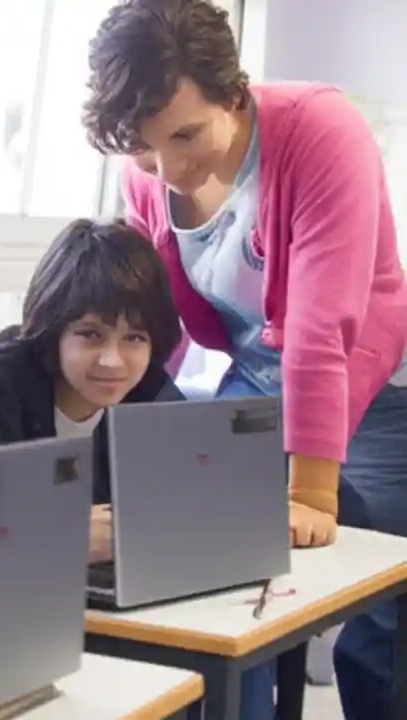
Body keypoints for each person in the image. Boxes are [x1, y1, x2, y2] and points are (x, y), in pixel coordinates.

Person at [84, 2, 407, 718]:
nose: (166, 170)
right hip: (262, 367)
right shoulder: (150, 171)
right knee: (226, 581)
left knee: (383, 603)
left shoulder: (321, 130)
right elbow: (156, 318)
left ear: (234, 94)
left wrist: (311, 493)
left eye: (186, 136)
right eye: (144, 148)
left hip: (375, 367)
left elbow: (324, 327)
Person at [0, 219, 184, 562]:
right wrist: (61, 531)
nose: (113, 361)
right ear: (53, 329)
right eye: (90, 334)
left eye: (134, 338)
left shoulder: (151, 393)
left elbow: (184, 501)